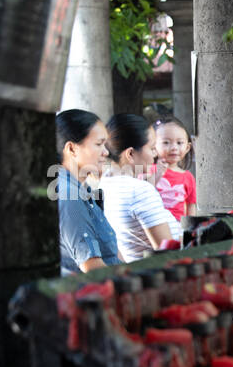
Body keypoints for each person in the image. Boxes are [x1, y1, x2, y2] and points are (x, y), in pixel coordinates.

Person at [102, 113, 181, 262]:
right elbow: (167, 252)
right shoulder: (139, 190)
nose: (155, 154)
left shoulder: (105, 184)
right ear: (130, 153)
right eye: (151, 148)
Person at [55, 109, 120, 275]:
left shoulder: (83, 190)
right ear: (71, 149)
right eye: (99, 144)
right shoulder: (69, 195)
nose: (106, 152)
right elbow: (93, 270)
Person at [154, 117, 197, 220]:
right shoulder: (148, 170)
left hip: (177, 229)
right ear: (153, 146)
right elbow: (143, 194)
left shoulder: (188, 177)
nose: (174, 147)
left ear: (187, 147)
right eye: (166, 142)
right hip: (154, 228)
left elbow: (191, 207)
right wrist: (157, 175)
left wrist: (190, 230)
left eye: (179, 143)